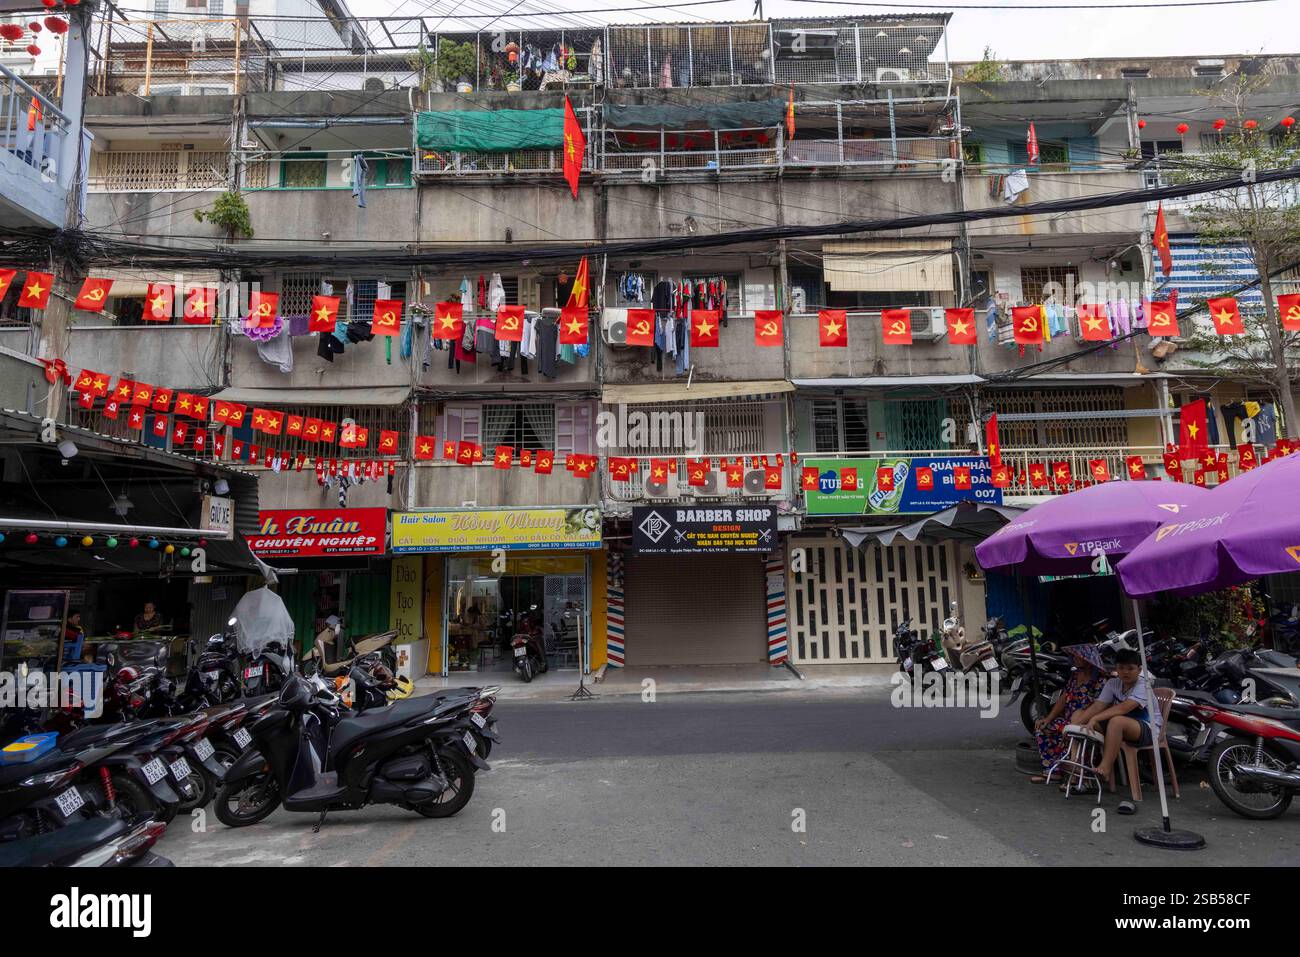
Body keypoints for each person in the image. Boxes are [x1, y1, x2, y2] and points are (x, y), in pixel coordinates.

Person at [1070, 648, 1162, 787]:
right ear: (1116, 668)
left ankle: (1105, 768)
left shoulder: (1144, 685)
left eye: (1130, 668)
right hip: (1120, 727)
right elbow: (1098, 706)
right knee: (1078, 715)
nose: (1125, 672)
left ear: (1139, 669)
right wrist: (1073, 726)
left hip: (1148, 729)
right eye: (1121, 668)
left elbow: (1124, 708)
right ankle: (1075, 763)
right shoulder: (1113, 683)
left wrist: (1094, 719)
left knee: (1116, 721)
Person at [1030, 643, 1109, 784]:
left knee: (1074, 733)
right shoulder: (1075, 675)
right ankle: (1053, 771)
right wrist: (1048, 719)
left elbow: (1098, 706)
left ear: (1087, 659)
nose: (1074, 659)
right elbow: (1064, 698)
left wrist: (1075, 723)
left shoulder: (1100, 680)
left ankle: (1076, 773)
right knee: (1043, 729)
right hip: (1068, 720)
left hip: (1087, 722)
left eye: (1077, 656)